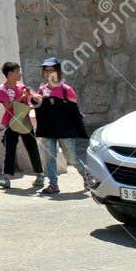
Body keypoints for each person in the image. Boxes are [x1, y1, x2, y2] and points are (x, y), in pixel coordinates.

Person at [31, 57, 91, 196]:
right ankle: (53, 184)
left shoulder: (66, 90)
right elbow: (38, 107)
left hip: (65, 129)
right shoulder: (42, 89)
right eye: (45, 70)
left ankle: (86, 175)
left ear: (58, 71)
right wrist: (35, 100)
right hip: (48, 128)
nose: (48, 73)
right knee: (50, 157)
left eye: (51, 70)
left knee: (71, 157)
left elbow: (73, 109)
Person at [0, 61, 45, 191]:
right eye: (17, 72)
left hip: (24, 121)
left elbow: (30, 98)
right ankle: (6, 178)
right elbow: (8, 106)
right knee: (10, 150)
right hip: (10, 123)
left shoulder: (21, 86)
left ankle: (40, 175)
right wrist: (21, 97)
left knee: (32, 147)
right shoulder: (2, 89)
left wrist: (34, 96)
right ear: (10, 74)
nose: (20, 74)